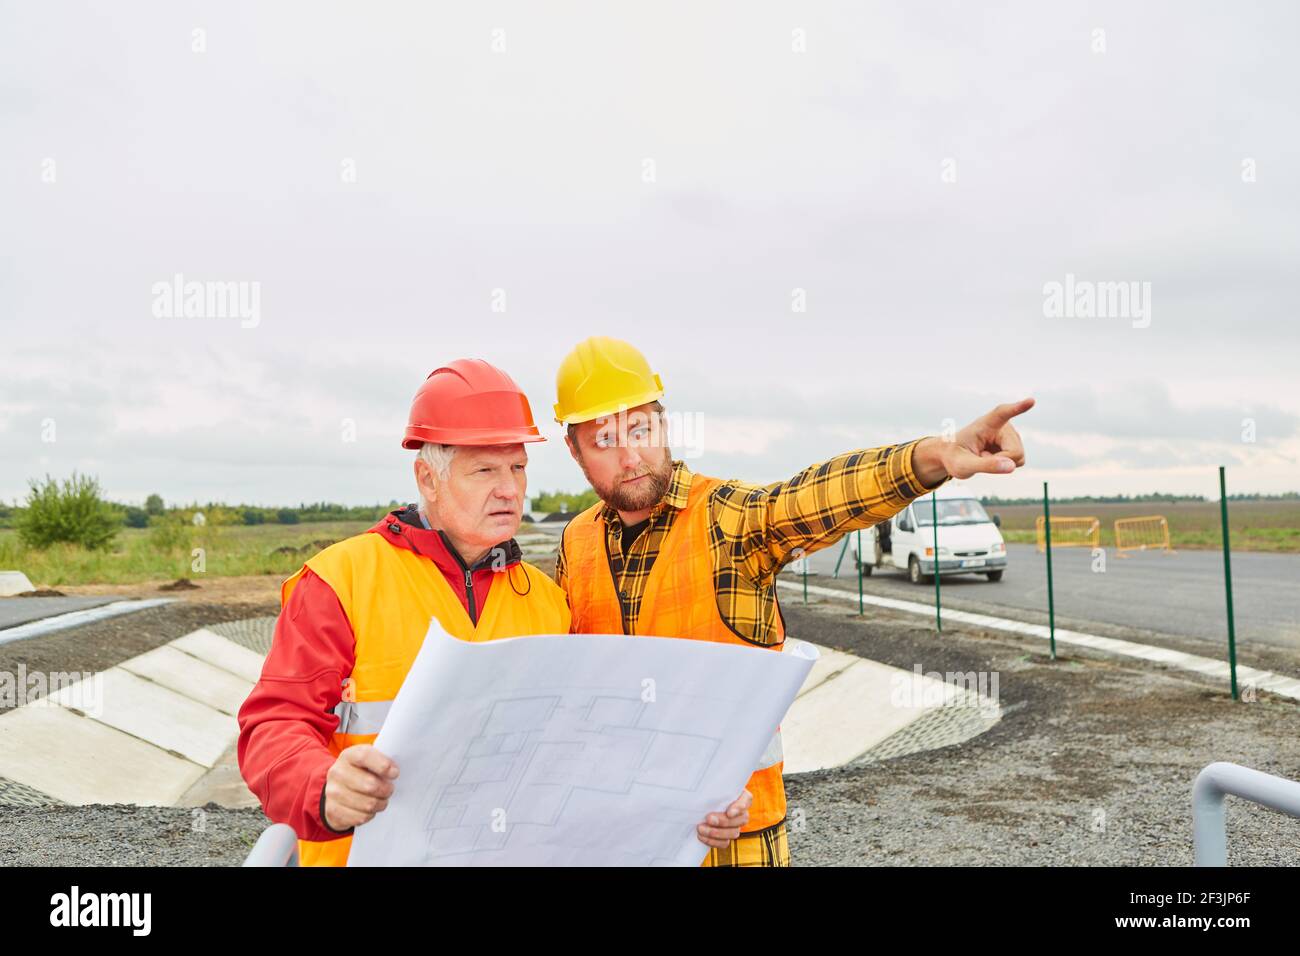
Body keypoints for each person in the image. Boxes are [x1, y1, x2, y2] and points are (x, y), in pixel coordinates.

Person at [237, 359, 753, 866]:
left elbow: (594, 748)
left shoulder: (547, 603)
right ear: (427, 478)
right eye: (484, 469)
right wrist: (322, 786)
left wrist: (692, 803)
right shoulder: (341, 580)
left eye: (518, 467)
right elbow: (274, 723)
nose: (510, 489)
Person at [553, 336, 1032, 866]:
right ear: (574, 452)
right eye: (603, 441)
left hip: (739, 841)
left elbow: (817, 497)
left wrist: (933, 457)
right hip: (625, 840)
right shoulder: (576, 545)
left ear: (664, 426)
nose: (630, 456)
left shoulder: (727, 519)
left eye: (640, 429)